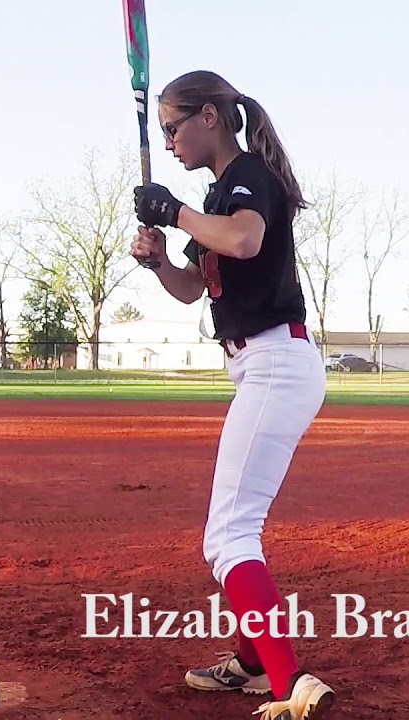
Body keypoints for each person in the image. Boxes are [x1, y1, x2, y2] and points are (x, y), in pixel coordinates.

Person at [129, 70, 334, 720]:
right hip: (264, 366)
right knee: (239, 528)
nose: (169, 143)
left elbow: (245, 238)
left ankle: (287, 683)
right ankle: (250, 661)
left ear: (211, 117)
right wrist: (161, 258)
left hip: (276, 360)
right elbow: (196, 287)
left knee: (228, 538)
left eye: (174, 127)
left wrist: (175, 210)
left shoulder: (249, 180)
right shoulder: (221, 194)